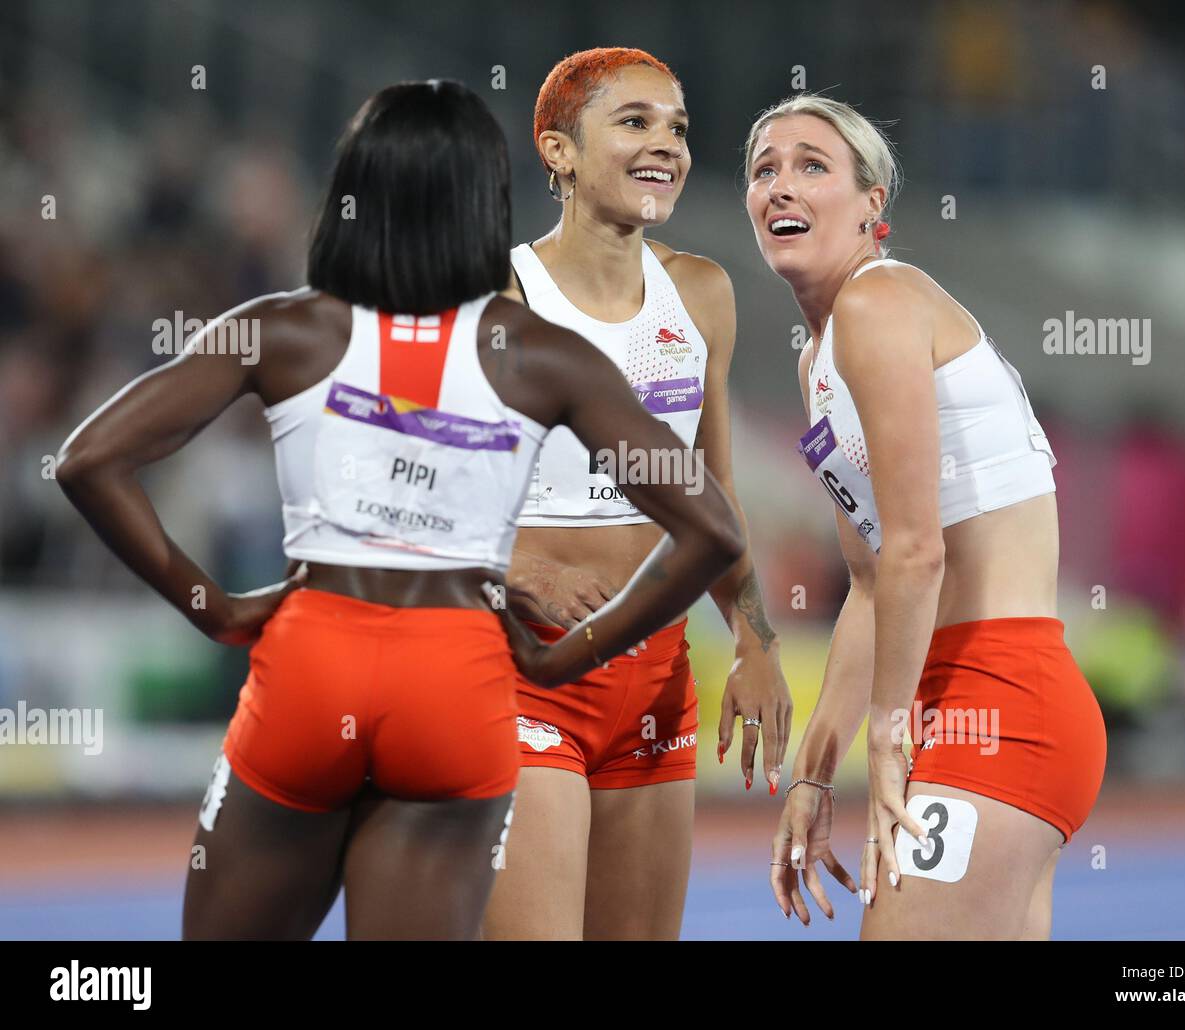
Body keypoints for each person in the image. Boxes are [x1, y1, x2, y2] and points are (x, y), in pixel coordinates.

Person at [54, 80, 743, 941]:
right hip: (454, 686)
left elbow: (87, 460)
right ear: (488, 205)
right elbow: (713, 529)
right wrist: (572, 658)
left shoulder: (285, 330)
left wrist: (216, 608)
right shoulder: (539, 353)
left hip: (314, 663)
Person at [743, 94, 1106, 939]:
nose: (781, 187)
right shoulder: (818, 364)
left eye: (811, 166)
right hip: (969, 704)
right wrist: (812, 775)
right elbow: (870, 585)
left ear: (874, 205)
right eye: (764, 171)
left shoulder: (881, 304)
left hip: (1000, 700)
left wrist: (886, 735)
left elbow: (916, 554)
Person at [482, 47, 792, 941]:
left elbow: (715, 488)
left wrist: (753, 638)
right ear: (560, 151)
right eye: (635, 121)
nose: (667, 144)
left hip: (656, 682)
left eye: (679, 128)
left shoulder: (702, 295)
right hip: (521, 673)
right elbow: (398, 486)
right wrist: (520, 563)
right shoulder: (497, 292)